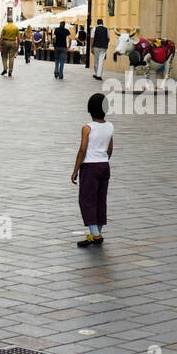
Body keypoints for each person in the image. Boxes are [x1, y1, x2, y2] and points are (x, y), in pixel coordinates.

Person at [71, 92, 114, 248]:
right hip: (104, 165)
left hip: (90, 166)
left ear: (90, 109)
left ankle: (95, 234)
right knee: (100, 199)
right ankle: (96, 232)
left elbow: (82, 149)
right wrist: (104, 160)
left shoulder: (87, 128)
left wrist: (76, 169)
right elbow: (110, 148)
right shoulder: (110, 126)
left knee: (86, 200)